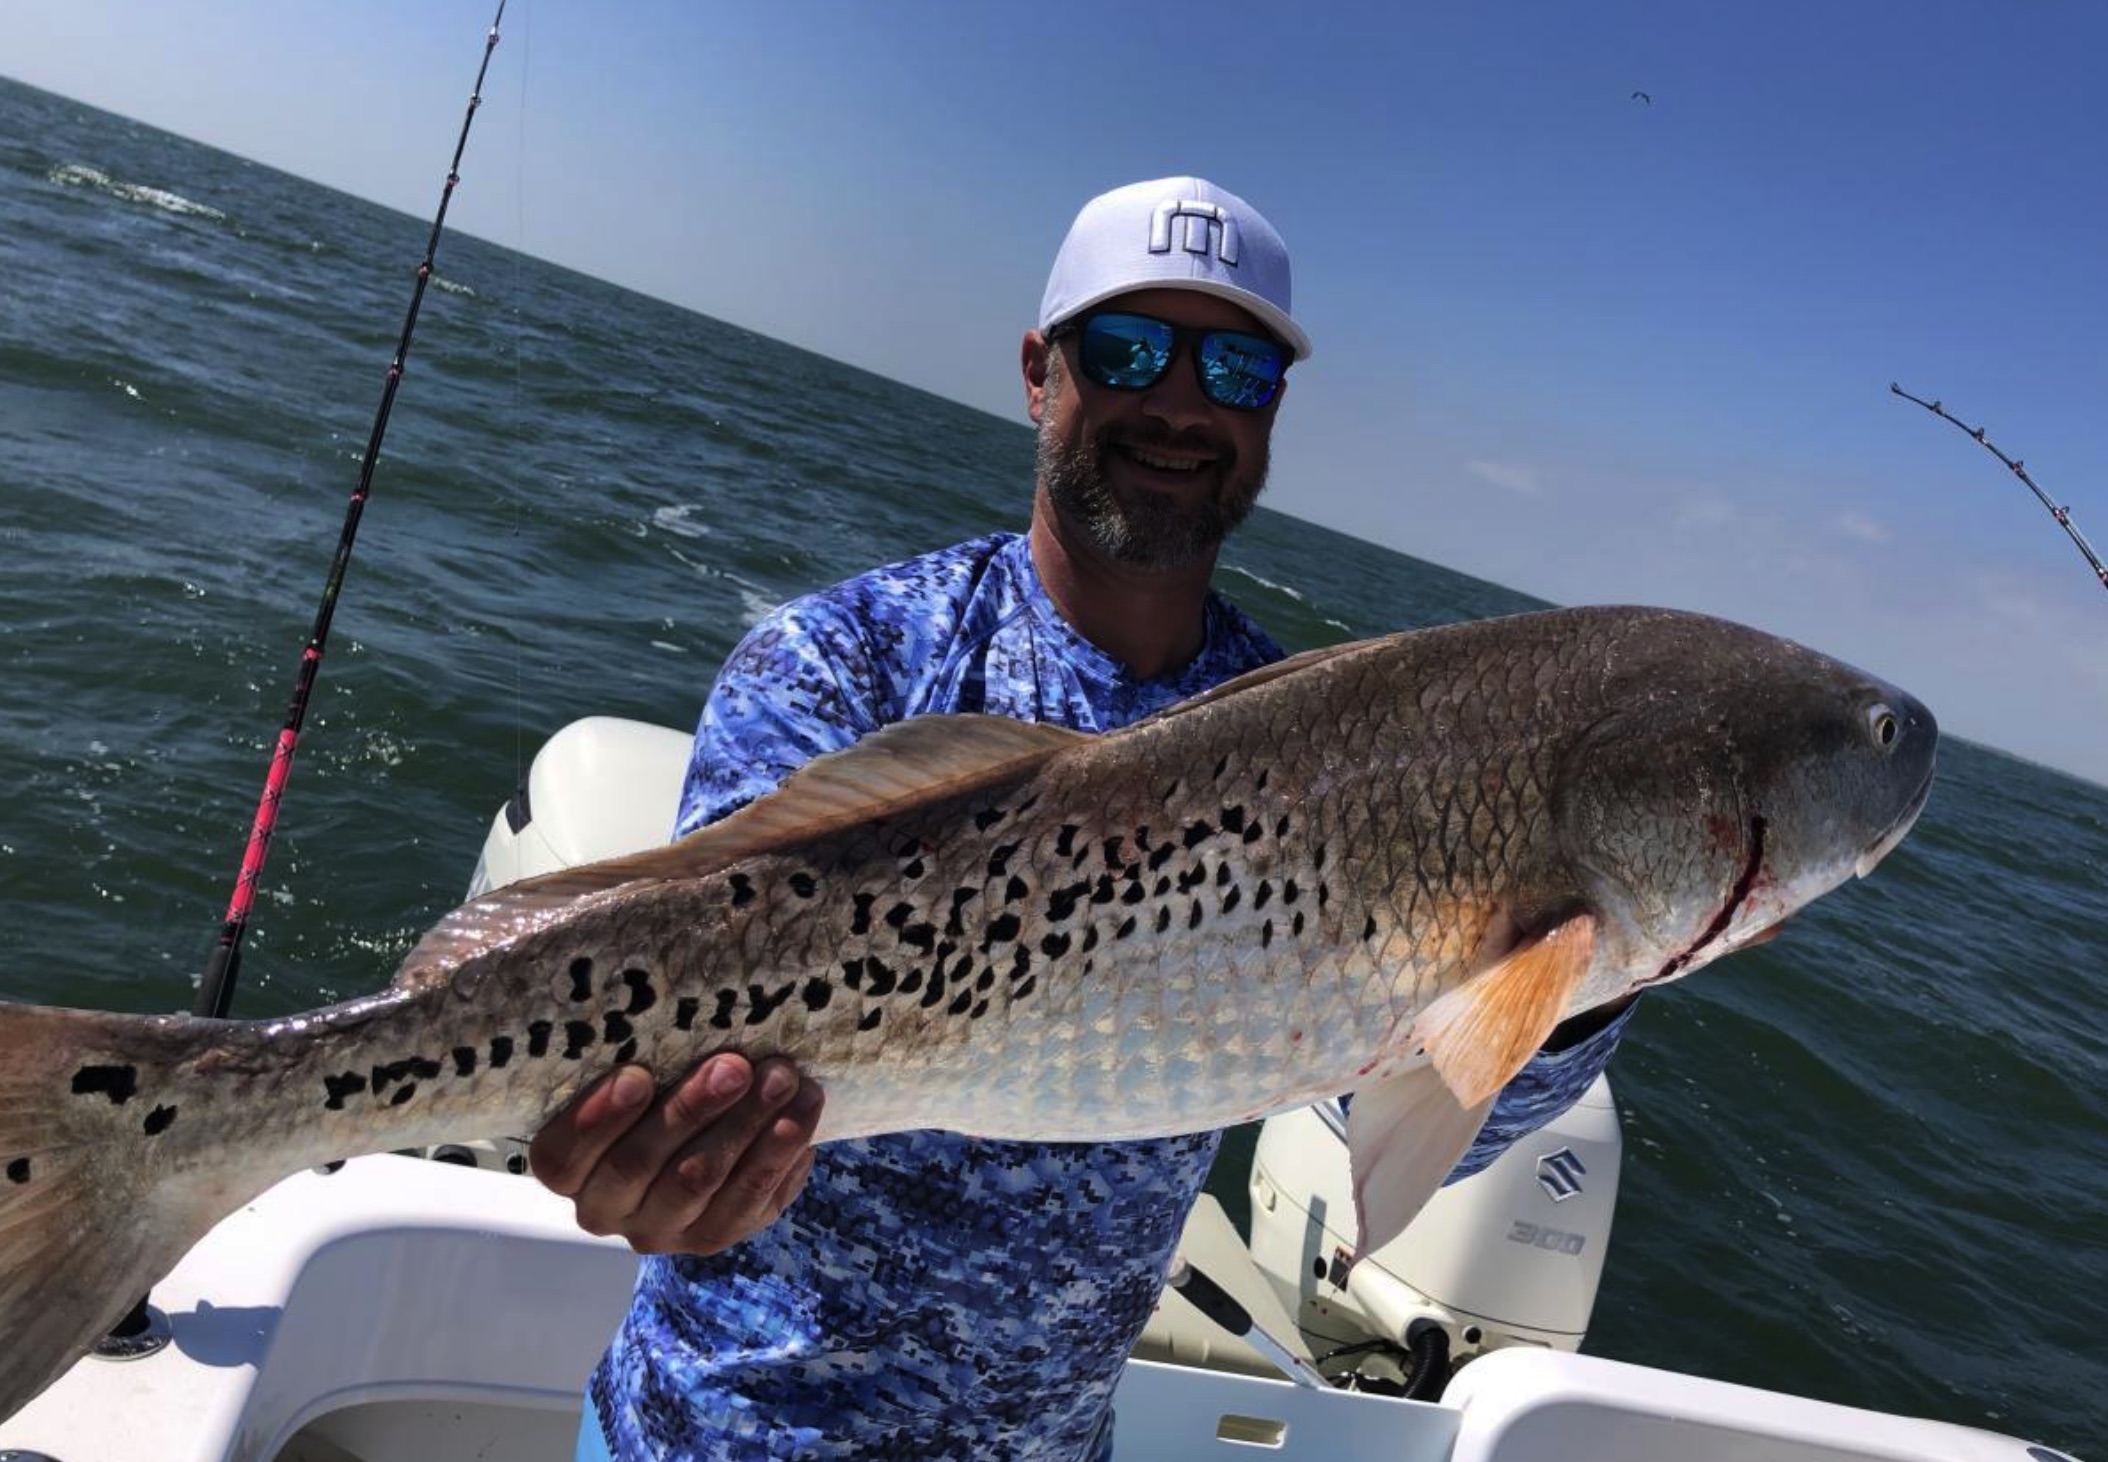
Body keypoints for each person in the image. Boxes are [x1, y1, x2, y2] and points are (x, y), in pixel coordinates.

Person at [530, 177, 1636, 1461]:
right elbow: (666, 997)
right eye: (1126, 350)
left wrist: (1595, 958)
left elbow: (1394, 1107)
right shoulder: (843, 661)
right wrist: (665, 1174)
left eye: (1234, 369)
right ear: (1036, 373)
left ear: (1269, 414)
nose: (1179, 404)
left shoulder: (1326, 750)